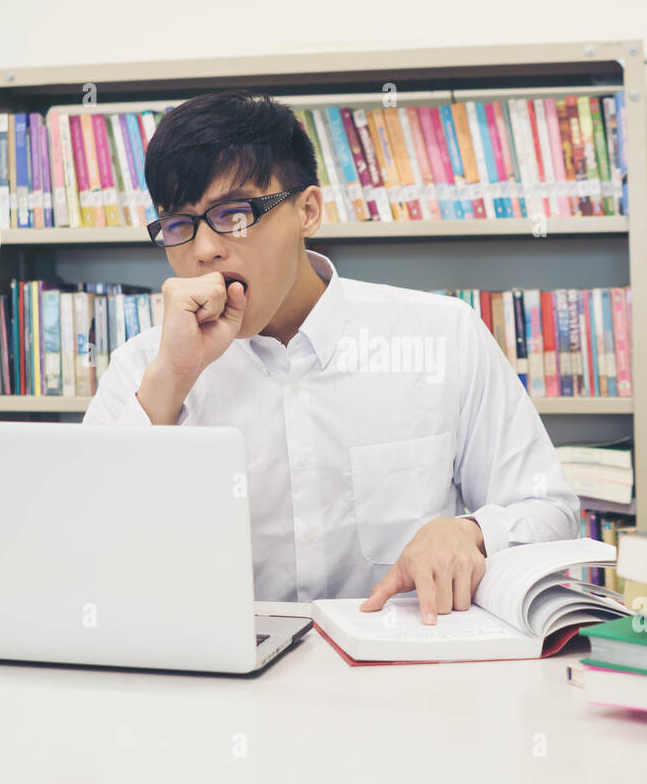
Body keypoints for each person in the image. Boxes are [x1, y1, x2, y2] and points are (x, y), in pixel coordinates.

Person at [83, 89, 578, 623]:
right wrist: (174, 377)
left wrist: (471, 533)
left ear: (307, 211)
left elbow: (549, 509)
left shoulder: (441, 336)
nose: (204, 250)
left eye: (234, 214)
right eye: (180, 224)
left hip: (406, 677)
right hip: (216, 677)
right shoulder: (143, 367)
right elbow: (82, 541)